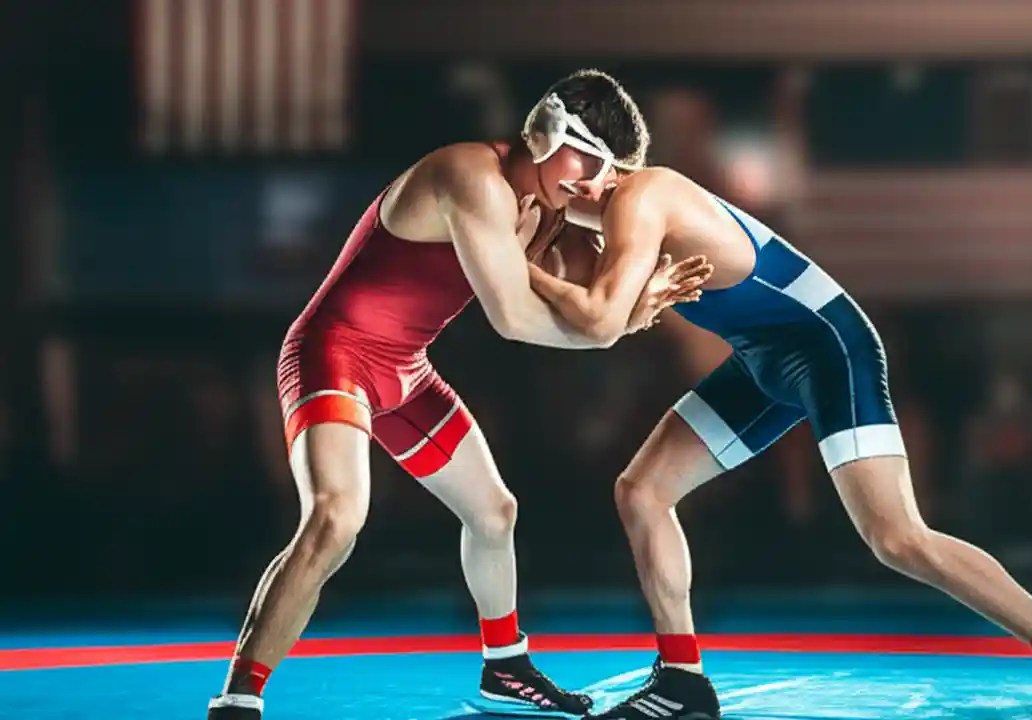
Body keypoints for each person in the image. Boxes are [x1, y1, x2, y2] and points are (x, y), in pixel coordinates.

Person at [518, 70, 1032, 720]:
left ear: (588, 150)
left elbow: (597, 322)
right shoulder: (603, 222)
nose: (534, 162)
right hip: (765, 356)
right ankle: (682, 682)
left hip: (826, 345)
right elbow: (599, 320)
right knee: (642, 492)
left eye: (545, 142)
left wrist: (525, 269)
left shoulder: (642, 197)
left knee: (897, 537)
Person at [205, 77, 712, 718]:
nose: (595, 186)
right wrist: (617, 322)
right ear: (551, 133)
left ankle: (505, 666)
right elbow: (516, 320)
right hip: (335, 354)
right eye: (593, 164)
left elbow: (609, 259)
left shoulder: (553, 196)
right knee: (336, 519)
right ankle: (239, 696)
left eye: (607, 176)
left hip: (404, 367)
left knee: (495, 513)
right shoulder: (471, 175)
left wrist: (633, 292)